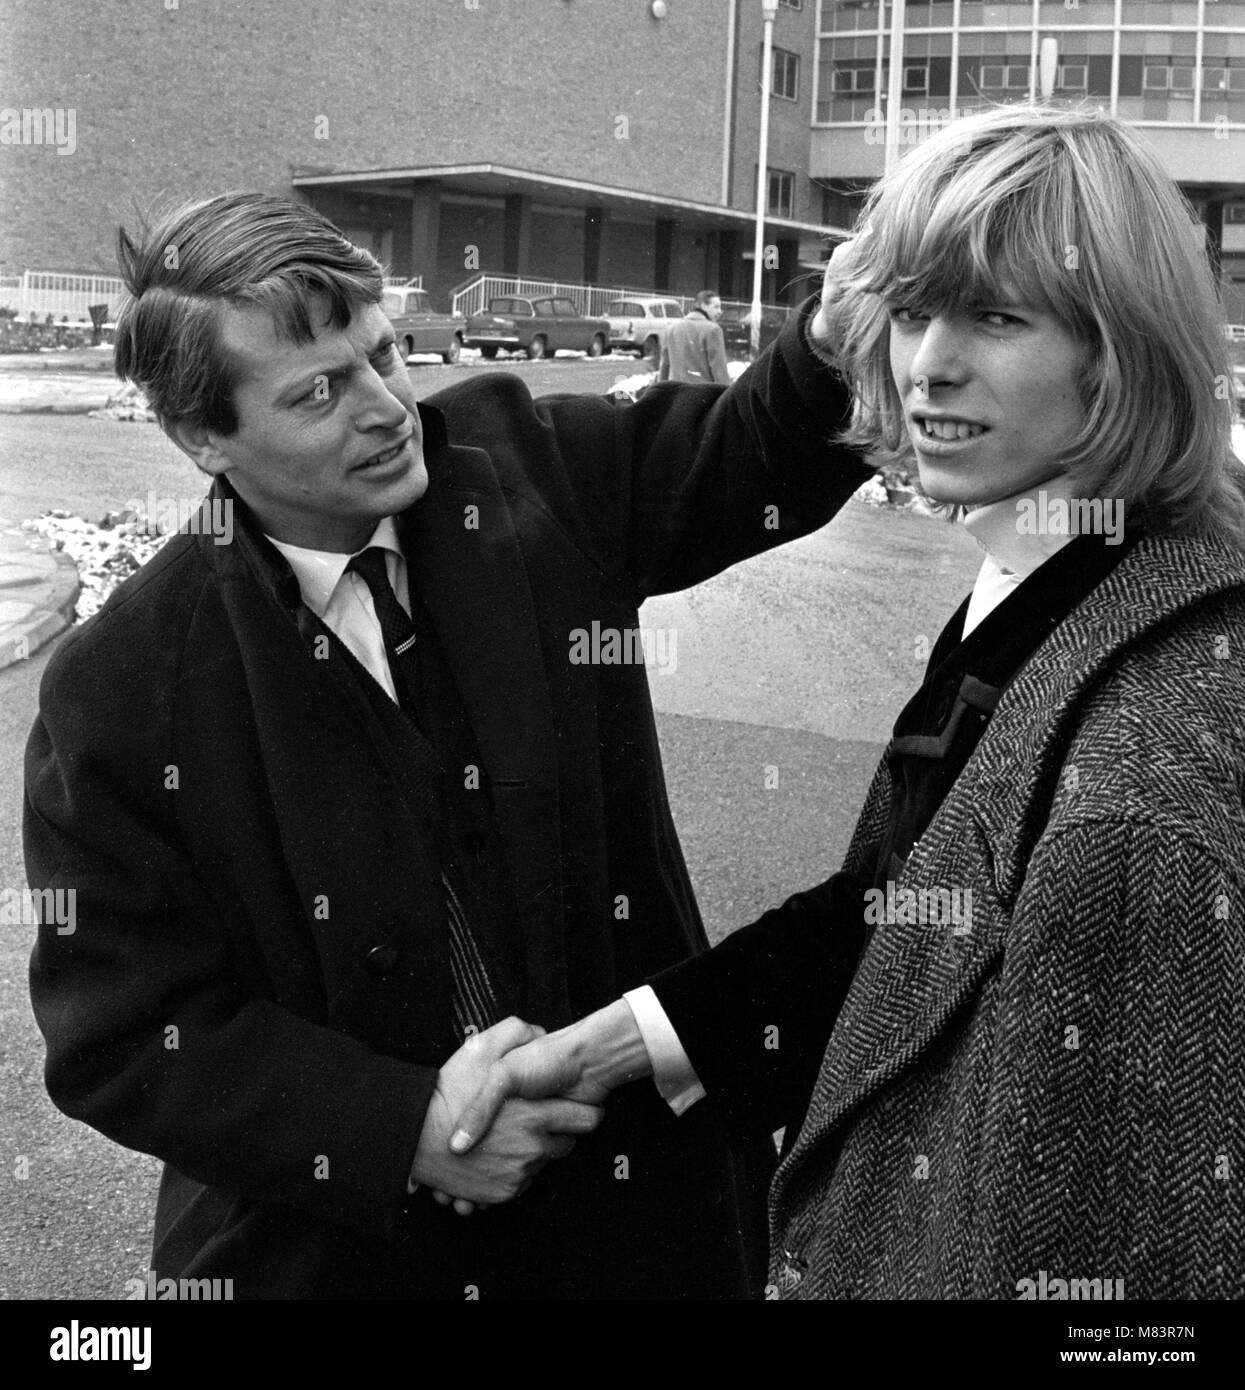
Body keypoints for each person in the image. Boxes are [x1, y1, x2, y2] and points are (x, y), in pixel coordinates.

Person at [449, 105, 1245, 1300]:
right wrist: (609, 1050)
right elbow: (901, 920)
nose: (929, 363)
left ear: (1118, 353)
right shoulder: (1053, 582)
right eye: (915, 311)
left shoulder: (1134, 800)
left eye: (995, 316)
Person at [23, 192, 873, 1300]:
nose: (385, 408)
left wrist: (836, 333)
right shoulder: (122, 687)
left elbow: (746, 452)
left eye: (382, 354)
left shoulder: (528, 469)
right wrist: (403, 1127)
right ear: (201, 436)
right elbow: (128, 1030)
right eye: (319, 391)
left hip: (642, 1230)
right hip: (338, 1259)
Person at [658, 288, 731, 385]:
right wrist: (727, 396)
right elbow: (719, 371)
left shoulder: (671, 329)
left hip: (676, 394)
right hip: (703, 394)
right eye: (716, 307)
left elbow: (664, 367)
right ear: (703, 306)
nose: (720, 311)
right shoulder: (713, 330)